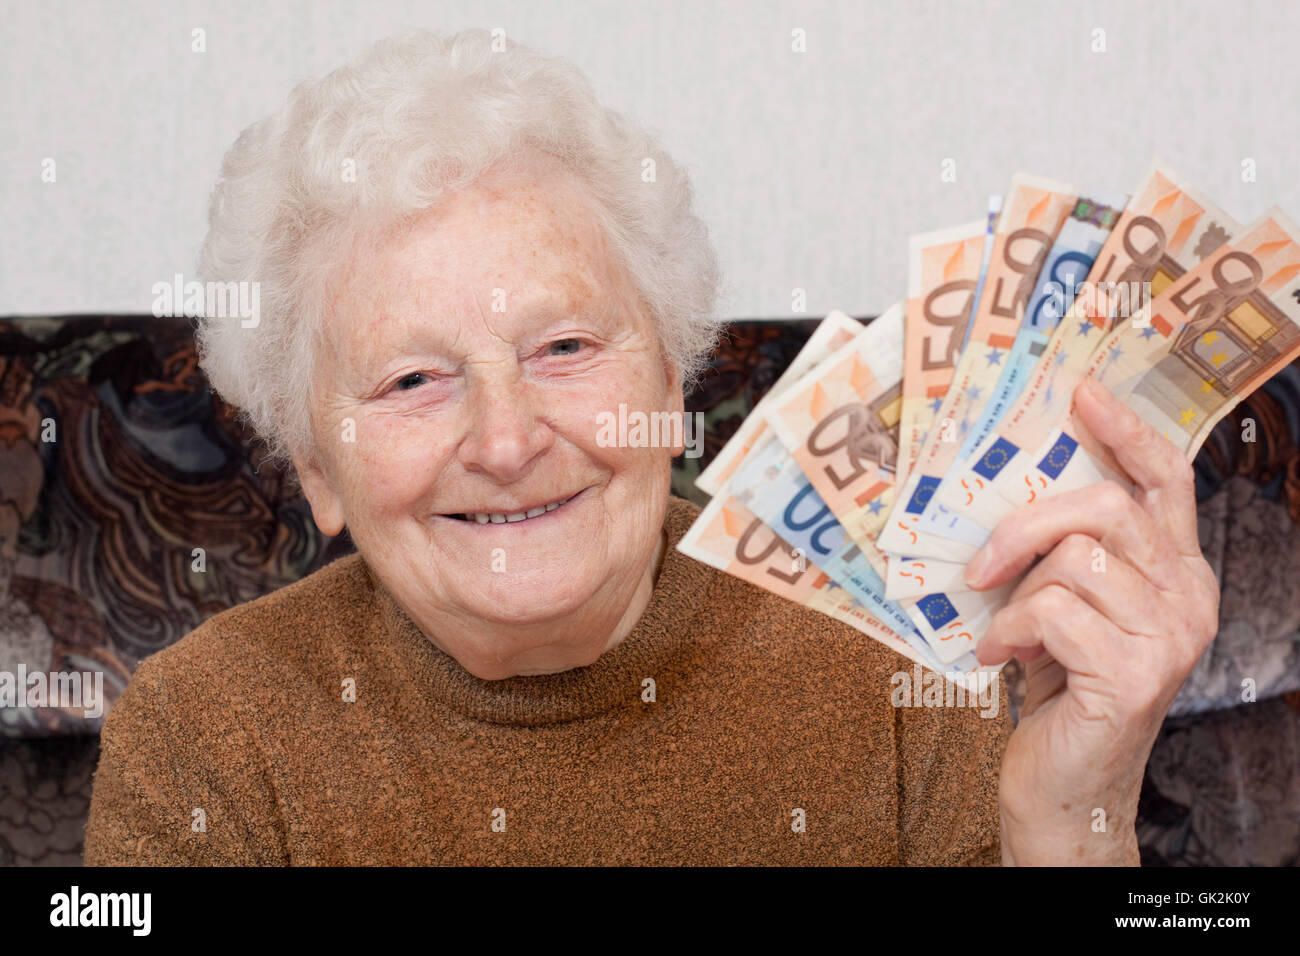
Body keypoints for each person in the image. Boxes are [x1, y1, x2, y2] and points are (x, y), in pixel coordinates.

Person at [82, 28, 1218, 865]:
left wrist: (1077, 818)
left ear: (673, 380)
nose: (509, 436)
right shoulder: (200, 733)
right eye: (412, 378)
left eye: (565, 343)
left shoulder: (911, 654)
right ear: (316, 469)